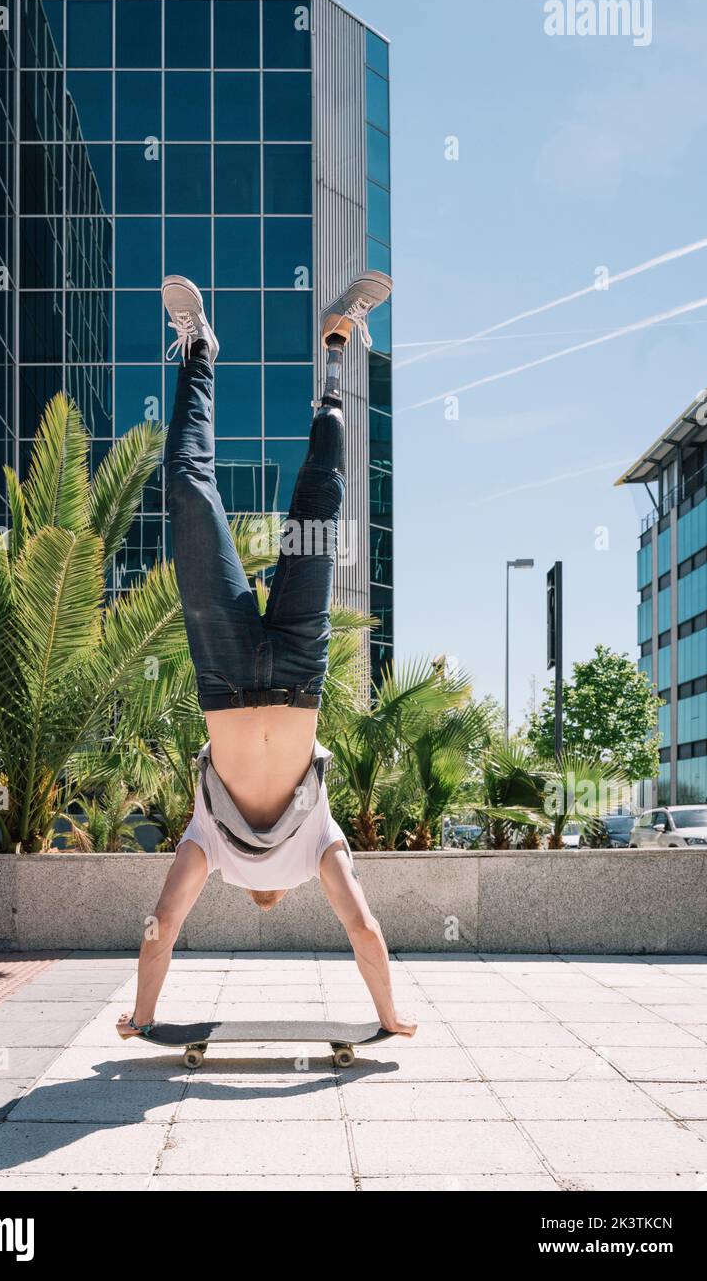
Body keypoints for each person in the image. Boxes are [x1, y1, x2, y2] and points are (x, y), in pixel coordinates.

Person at [118, 271, 417, 1041]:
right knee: (274, 498)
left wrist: (393, 1017)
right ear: (269, 893)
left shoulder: (210, 843)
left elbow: (363, 931)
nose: (263, 883)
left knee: (241, 496)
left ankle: (203, 353)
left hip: (231, 670)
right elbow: (163, 926)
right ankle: (334, 354)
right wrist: (390, 1023)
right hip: (291, 665)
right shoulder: (309, 847)